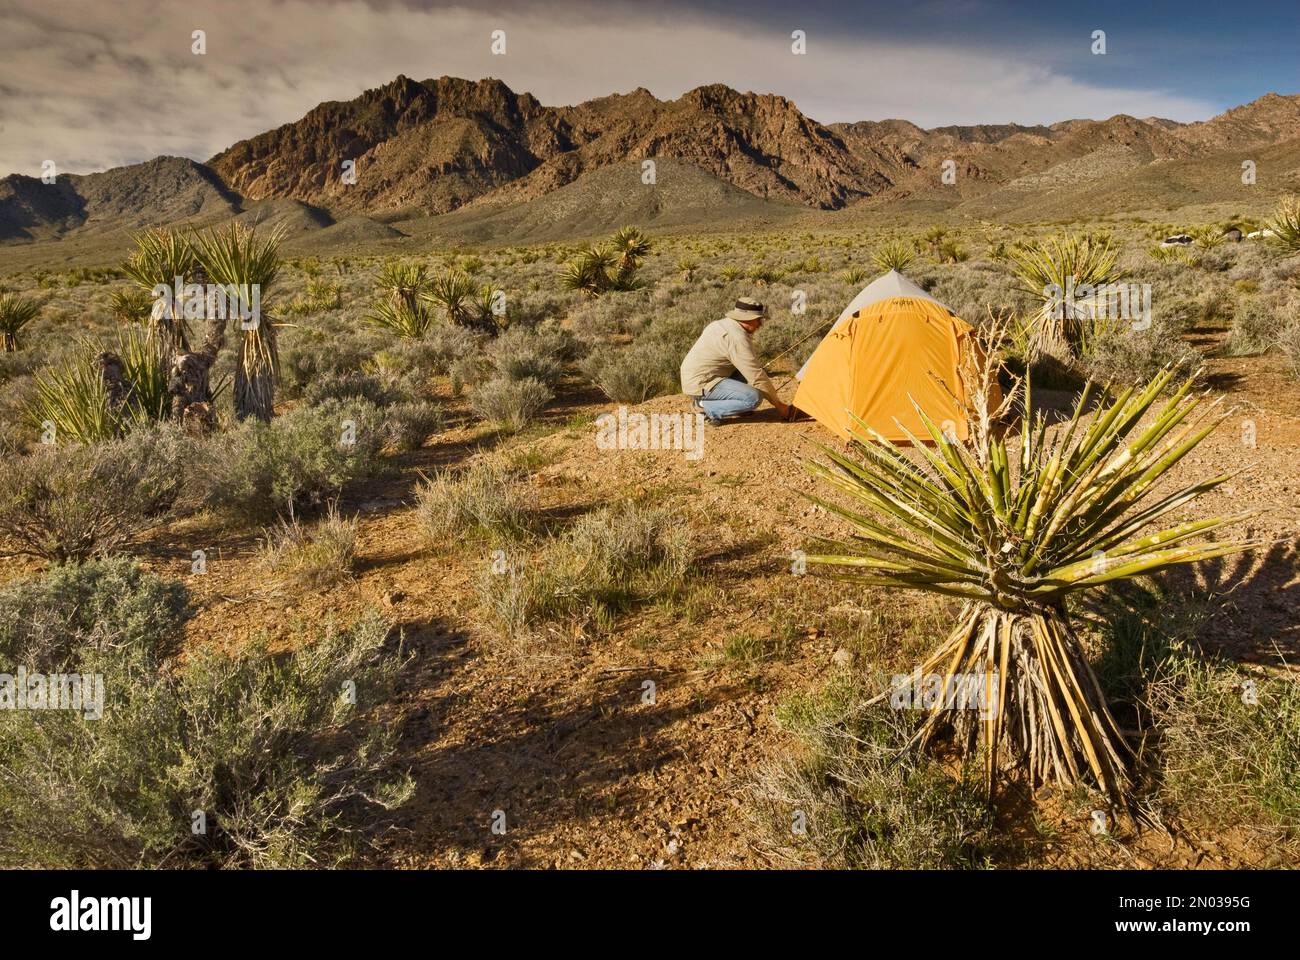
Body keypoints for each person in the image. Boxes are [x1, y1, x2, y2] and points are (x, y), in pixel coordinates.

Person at [680, 297, 792, 424]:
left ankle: (729, 405)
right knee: (753, 398)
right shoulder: (736, 337)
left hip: (696, 377)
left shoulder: (721, 324)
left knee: (744, 372)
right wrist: (779, 405)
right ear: (747, 319)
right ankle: (704, 407)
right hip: (701, 383)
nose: (760, 325)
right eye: (758, 320)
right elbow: (756, 375)